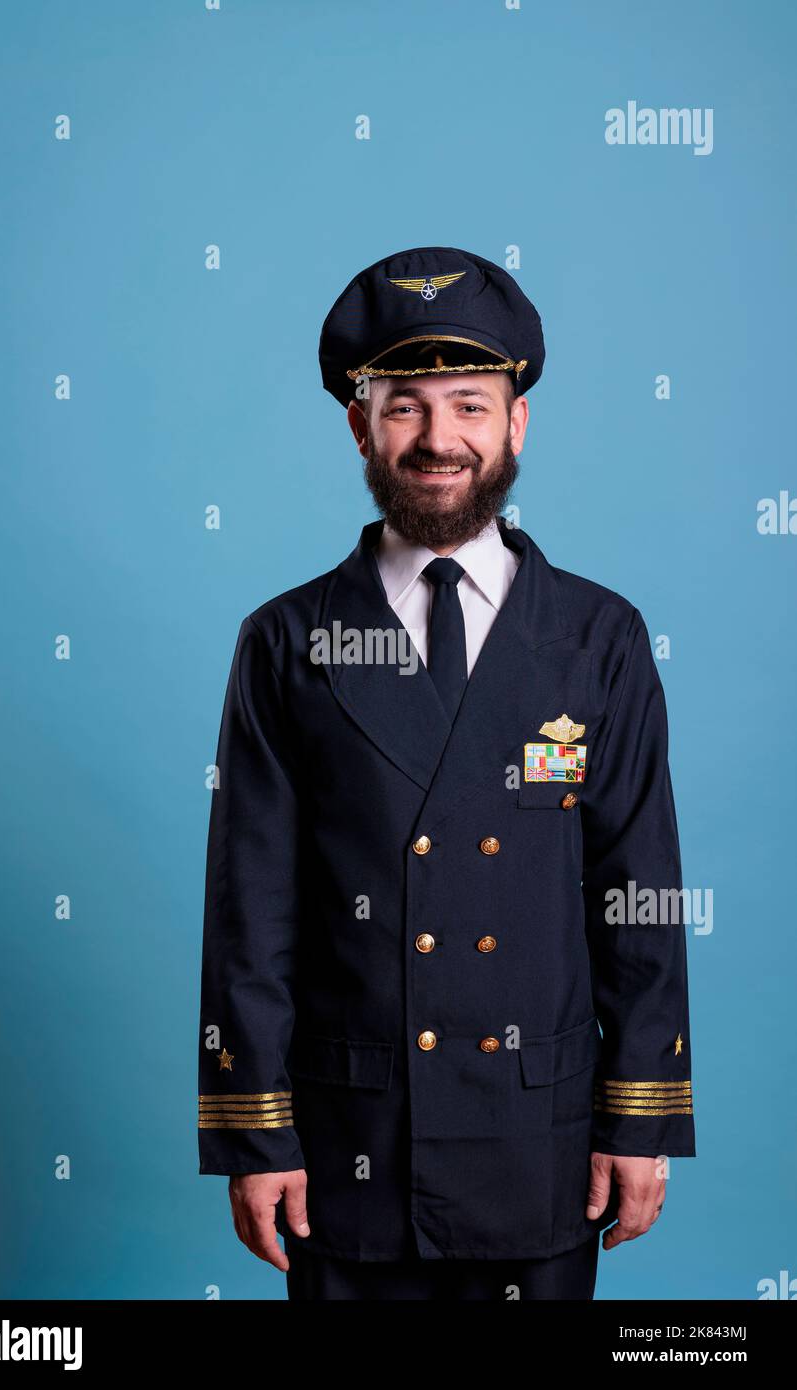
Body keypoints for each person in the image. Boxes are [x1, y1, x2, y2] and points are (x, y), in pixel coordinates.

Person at [197, 246, 695, 1301]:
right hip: (350, 1146)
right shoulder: (288, 640)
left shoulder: (598, 636)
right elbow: (251, 906)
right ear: (358, 426)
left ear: (516, 422)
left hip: (540, 1141)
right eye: (403, 406)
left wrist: (640, 1113)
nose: (437, 440)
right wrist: (255, 1132)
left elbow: (635, 889)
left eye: (468, 404)